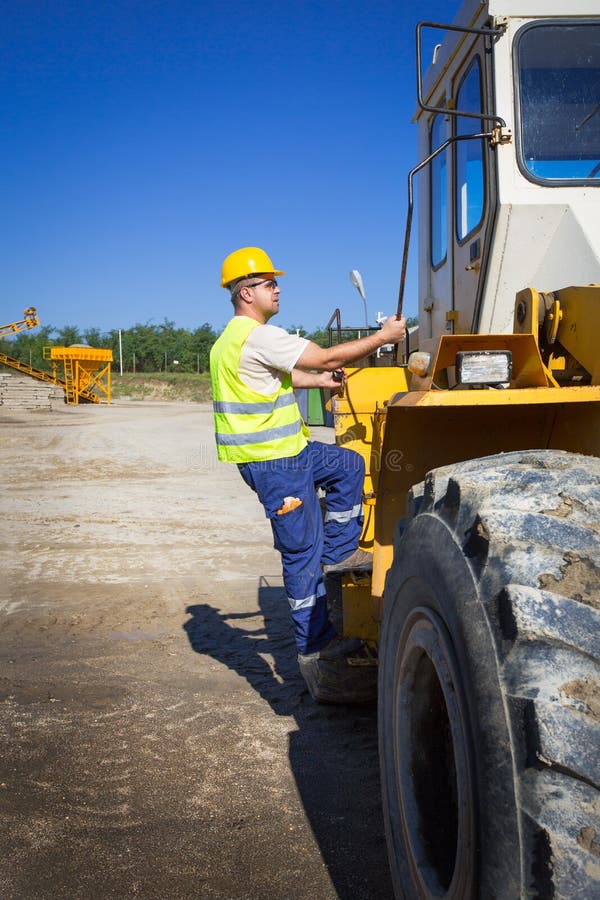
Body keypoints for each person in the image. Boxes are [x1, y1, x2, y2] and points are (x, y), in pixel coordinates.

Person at [210, 247, 406, 698]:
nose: (277, 288)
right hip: (276, 464)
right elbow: (325, 356)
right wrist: (383, 337)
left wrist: (316, 384)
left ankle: (337, 554)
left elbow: (278, 377)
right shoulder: (259, 335)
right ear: (246, 292)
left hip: (289, 453)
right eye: (268, 283)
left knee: (347, 465)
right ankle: (315, 648)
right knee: (300, 553)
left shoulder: (231, 342)